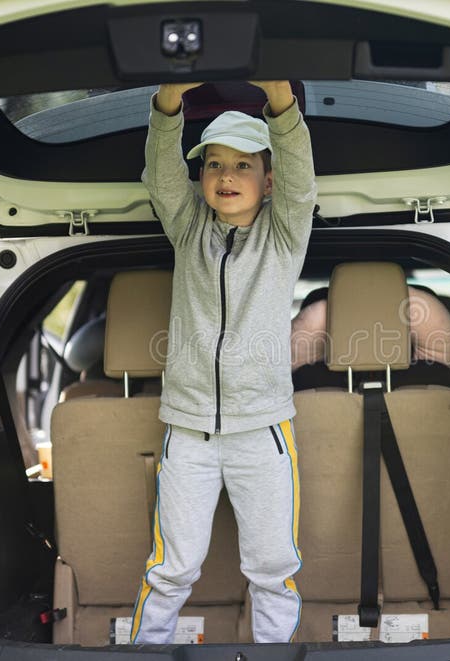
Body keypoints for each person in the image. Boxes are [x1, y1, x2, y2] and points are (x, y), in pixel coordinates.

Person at [130, 80, 316, 645]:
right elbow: (163, 177)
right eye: (213, 165)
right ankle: (147, 651)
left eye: (242, 165)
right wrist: (168, 104)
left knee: (272, 569)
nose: (227, 176)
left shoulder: (283, 235)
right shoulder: (189, 231)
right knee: (170, 569)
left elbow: (303, 185)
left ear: (268, 180)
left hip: (262, 430)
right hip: (187, 431)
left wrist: (282, 106)